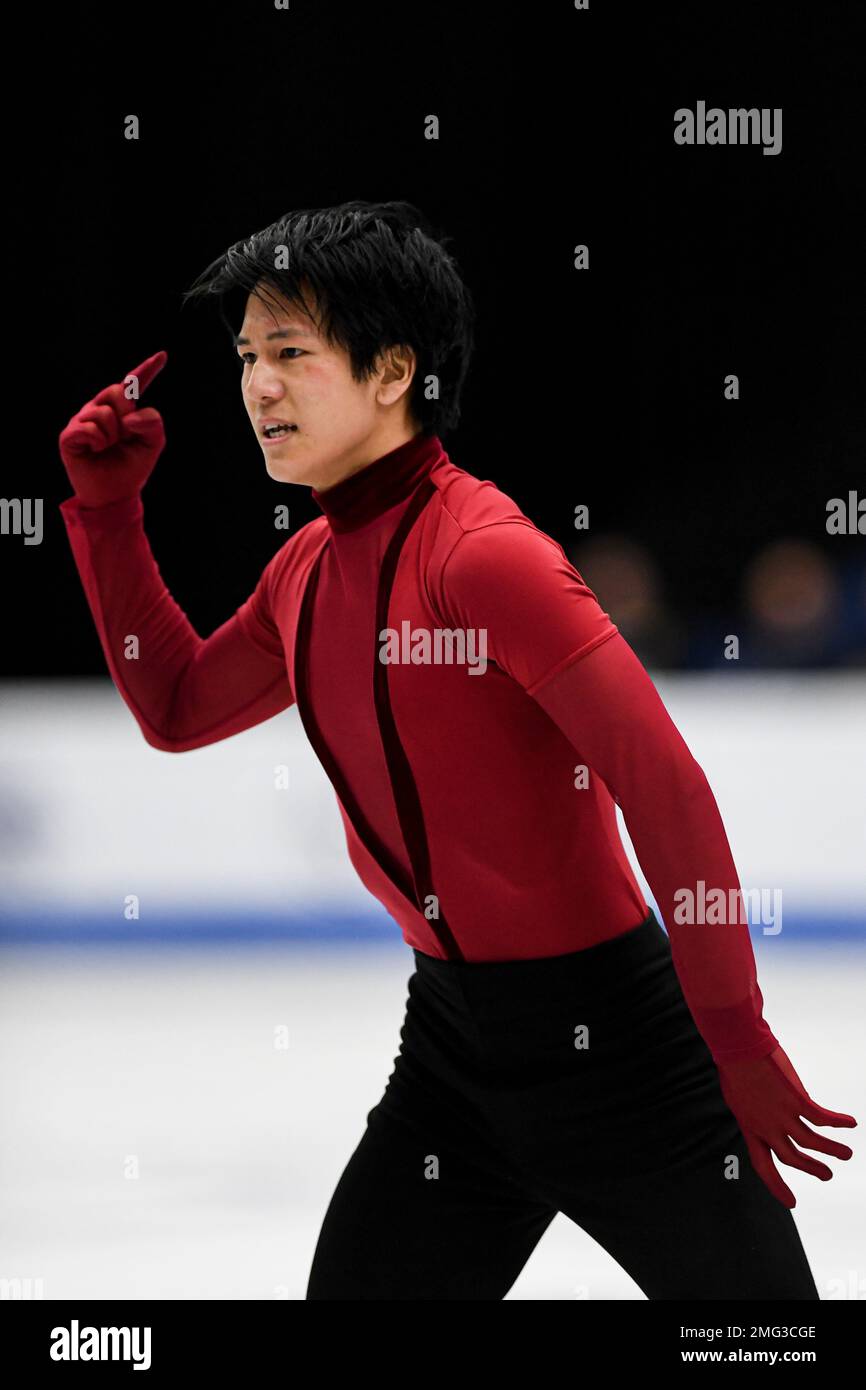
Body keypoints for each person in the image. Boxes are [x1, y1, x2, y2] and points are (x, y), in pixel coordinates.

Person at [57, 199, 856, 1300]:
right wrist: (107, 515)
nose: (257, 386)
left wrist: (735, 1036)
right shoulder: (304, 572)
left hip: (619, 1053)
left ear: (392, 371)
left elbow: (663, 785)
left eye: (290, 352)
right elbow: (179, 707)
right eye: (247, 356)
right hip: (449, 1056)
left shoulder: (484, 558)